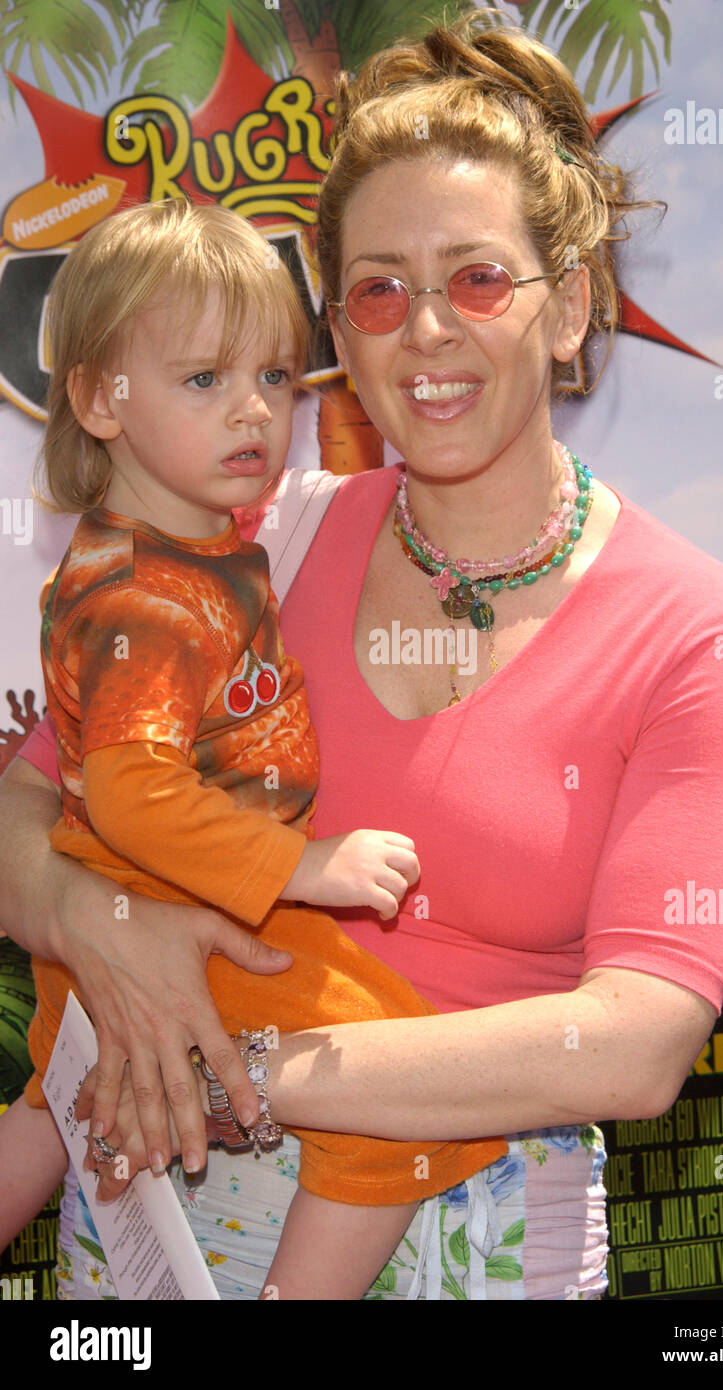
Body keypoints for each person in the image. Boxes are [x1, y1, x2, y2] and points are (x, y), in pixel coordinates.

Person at [0, 12, 723, 1300]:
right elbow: (31, 799)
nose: (424, 329)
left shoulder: (694, 624)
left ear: (570, 303)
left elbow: (641, 1040)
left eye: (477, 279)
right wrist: (99, 922)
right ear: (340, 341)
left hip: (480, 1249)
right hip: (154, 1236)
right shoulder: (252, 543)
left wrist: (256, 1058)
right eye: (377, 290)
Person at [0, 197, 506, 1300]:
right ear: (96, 398)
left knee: (60, 1104)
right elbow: (132, 792)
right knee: (403, 1103)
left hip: (114, 895)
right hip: (168, 892)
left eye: (275, 378)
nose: (253, 413)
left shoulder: (169, 548)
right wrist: (303, 867)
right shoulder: (154, 593)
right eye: (202, 381)